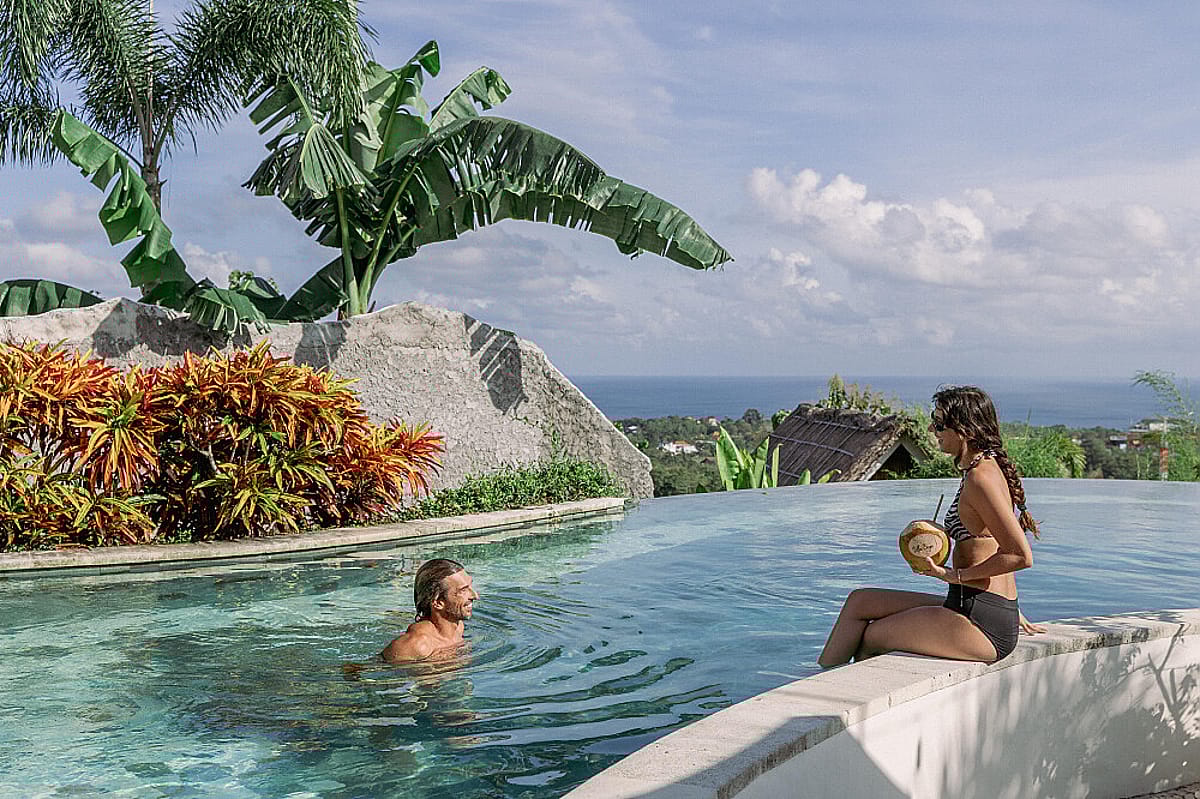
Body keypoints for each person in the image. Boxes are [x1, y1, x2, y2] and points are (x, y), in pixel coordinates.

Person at [818, 385, 1044, 668]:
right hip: (974, 604)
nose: (931, 429)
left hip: (981, 623)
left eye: (939, 424)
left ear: (965, 430)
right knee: (859, 602)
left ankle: (831, 700)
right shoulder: (984, 465)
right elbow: (991, 540)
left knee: (871, 636)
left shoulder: (980, 479)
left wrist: (953, 575)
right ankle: (813, 678)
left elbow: (1020, 555)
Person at [381, 558, 479, 663]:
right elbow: (372, 670)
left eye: (470, 586)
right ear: (438, 602)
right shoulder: (418, 645)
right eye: (463, 590)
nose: (475, 596)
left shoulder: (458, 627)